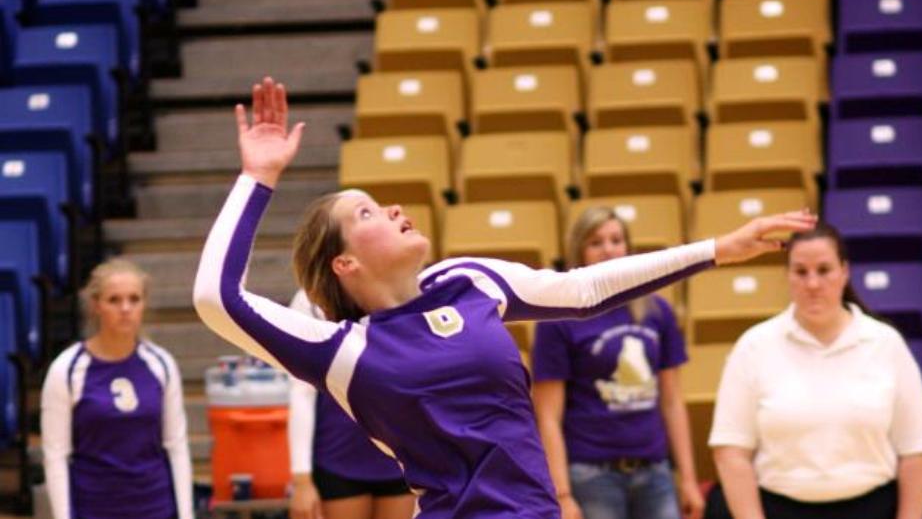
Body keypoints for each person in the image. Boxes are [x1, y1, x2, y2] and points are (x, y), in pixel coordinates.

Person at [192, 76, 815, 519]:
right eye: (368, 212)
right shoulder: (341, 350)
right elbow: (216, 297)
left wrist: (715, 249)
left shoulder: (468, 280)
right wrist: (258, 177)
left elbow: (585, 289)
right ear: (344, 262)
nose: (395, 208)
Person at [707, 223, 922, 519]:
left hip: (873, 508)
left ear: (844, 272)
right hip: (778, 509)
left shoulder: (886, 343)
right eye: (801, 272)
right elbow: (731, 451)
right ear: (787, 276)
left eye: (824, 270)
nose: (813, 284)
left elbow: (916, 451)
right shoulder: (753, 347)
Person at [532, 206, 703, 519]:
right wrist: (562, 493)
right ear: (579, 252)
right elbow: (548, 416)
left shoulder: (657, 310)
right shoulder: (557, 319)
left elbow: (672, 402)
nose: (609, 249)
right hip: (591, 475)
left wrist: (689, 479)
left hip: (655, 470)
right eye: (596, 242)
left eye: (616, 240)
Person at [41, 258, 193, 519]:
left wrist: (186, 514)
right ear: (95, 305)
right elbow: (56, 455)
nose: (125, 308)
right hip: (95, 508)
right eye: (114, 300)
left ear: (144, 304)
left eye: (134, 299)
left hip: (155, 507)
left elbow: (176, 446)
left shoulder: (161, 364)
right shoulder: (67, 369)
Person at [287, 291, 415, 519]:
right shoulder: (312, 296)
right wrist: (302, 480)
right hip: (338, 457)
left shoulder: (409, 288)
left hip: (401, 457)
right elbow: (301, 392)